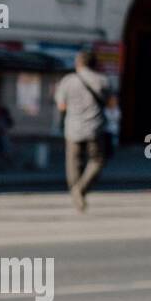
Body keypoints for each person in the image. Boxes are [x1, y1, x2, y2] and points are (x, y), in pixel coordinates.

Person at [55, 49, 110, 212]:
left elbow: (61, 106)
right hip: (95, 128)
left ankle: (75, 190)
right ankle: (82, 189)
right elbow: (111, 103)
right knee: (98, 160)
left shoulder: (68, 81)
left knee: (73, 163)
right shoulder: (102, 80)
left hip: (73, 129)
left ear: (78, 63)